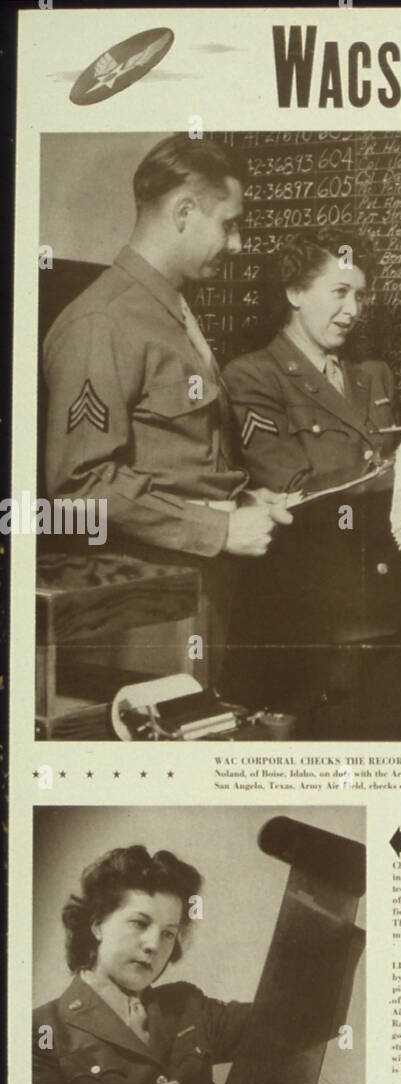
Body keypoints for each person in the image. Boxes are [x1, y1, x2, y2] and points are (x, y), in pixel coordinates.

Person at [42, 134, 293, 682]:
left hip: (198, 587)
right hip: (147, 605)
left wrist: (240, 499)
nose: (238, 243)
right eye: (229, 223)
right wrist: (217, 531)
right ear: (183, 212)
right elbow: (79, 485)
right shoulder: (103, 322)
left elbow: (174, 459)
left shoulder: (170, 312)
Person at [221, 228, 401, 735]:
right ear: (295, 293)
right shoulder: (252, 376)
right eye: (339, 292)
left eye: (360, 295)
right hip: (305, 629)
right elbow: (296, 487)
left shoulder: (374, 375)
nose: (353, 310)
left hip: (384, 619)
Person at [33, 846, 251, 1084]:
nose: (154, 945)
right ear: (97, 923)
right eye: (139, 923)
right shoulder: (44, 1029)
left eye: (169, 933)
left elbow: (288, 1024)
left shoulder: (187, 1005)